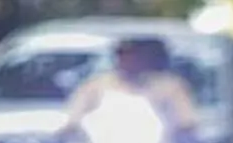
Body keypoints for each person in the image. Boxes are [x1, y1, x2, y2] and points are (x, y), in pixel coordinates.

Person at [62, 36, 199, 134]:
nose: (129, 60)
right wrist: (71, 126)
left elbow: (186, 117)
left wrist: (184, 126)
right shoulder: (97, 84)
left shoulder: (168, 85)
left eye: (134, 55)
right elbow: (76, 112)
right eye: (123, 55)